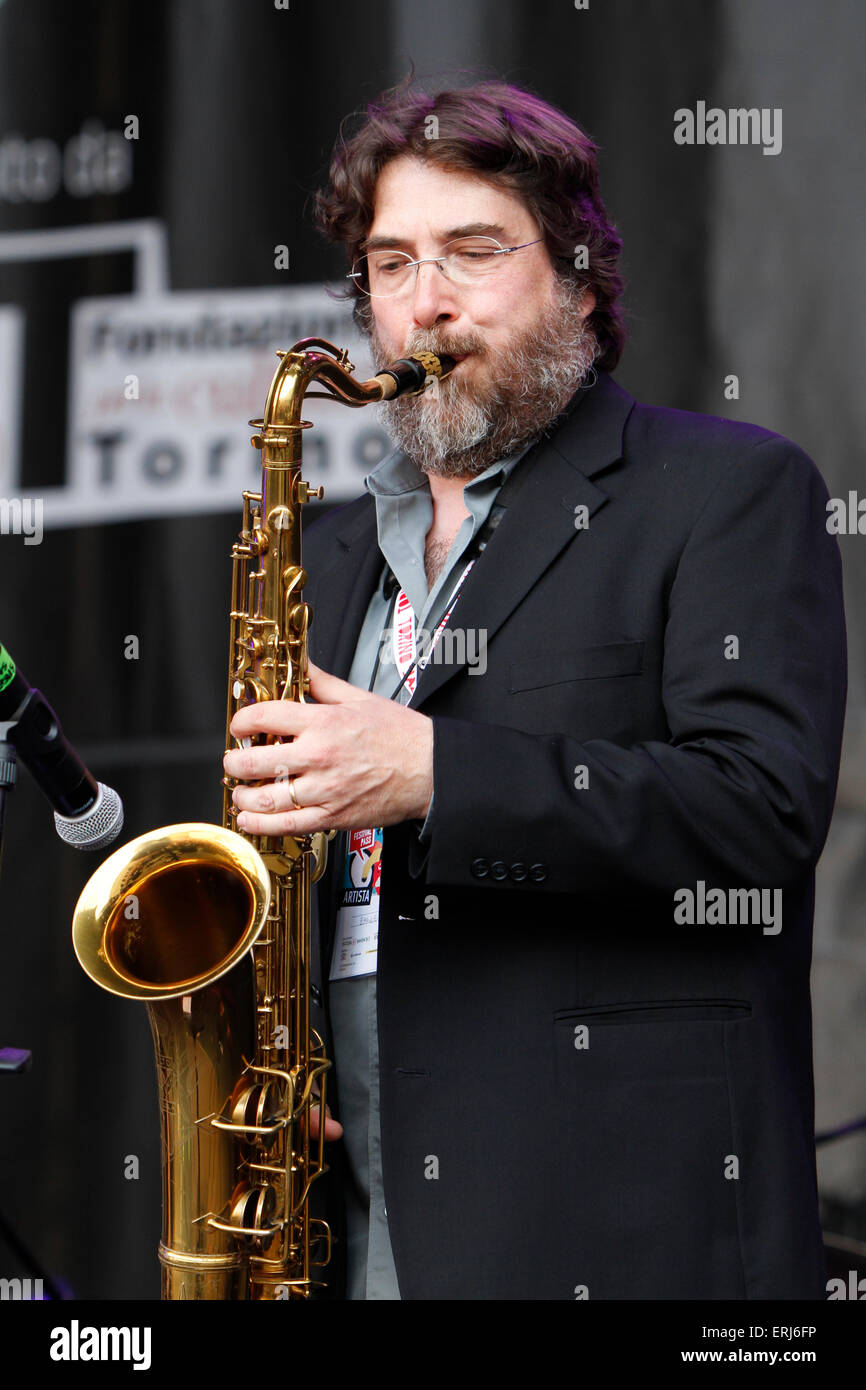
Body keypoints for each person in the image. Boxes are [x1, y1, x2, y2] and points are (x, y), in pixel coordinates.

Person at [222, 79, 847, 1300]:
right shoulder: (329, 546)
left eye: (472, 252)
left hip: (602, 1200)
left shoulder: (727, 488)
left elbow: (760, 811)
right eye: (390, 264)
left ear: (577, 278)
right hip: (346, 1177)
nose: (425, 301)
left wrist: (433, 773)